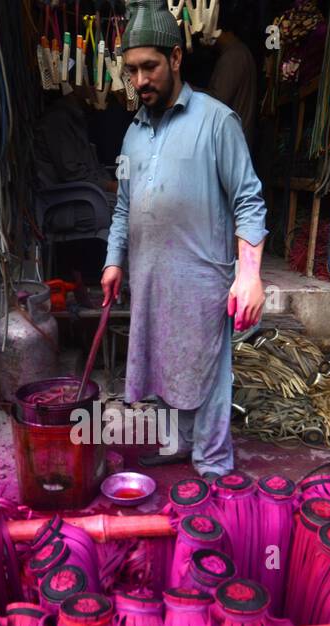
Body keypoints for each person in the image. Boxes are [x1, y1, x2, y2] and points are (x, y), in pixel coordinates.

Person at [101, 0, 268, 478]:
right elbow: (123, 206)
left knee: (207, 372)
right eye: (131, 70)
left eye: (149, 66)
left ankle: (213, 464)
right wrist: (115, 261)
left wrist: (249, 277)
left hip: (202, 279)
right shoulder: (133, 133)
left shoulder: (218, 122)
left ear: (175, 60)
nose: (140, 81)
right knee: (162, 365)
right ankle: (179, 445)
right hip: (150, 274)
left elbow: (249, 202)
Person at [206, 23, 259, 148]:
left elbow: (218, 99)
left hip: (232, 143)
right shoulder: (239, 52)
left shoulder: (233, 56)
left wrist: (186, 89)